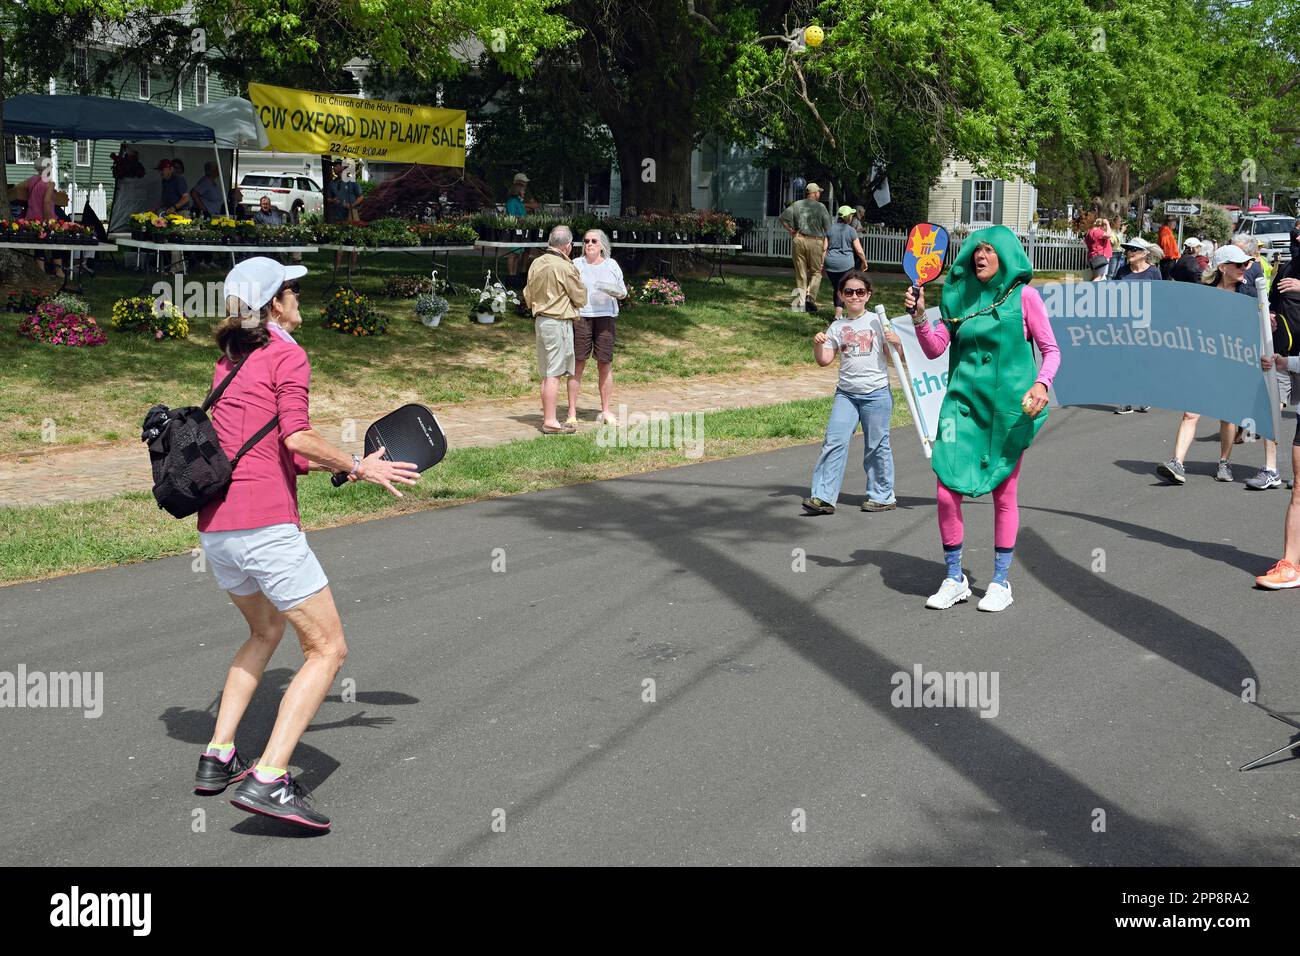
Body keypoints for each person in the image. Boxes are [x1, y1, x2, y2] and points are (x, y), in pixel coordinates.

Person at [194, 257, 420, 829]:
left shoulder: (230, 360)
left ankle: (218, 754)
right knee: (328, 650)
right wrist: (360, 467)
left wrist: (343, 467)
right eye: (293, 290)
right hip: (266, 528)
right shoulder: (287, 352)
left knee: (265, 630)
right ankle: (270, 778)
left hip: (218, 530)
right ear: (275, 302)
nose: (301, 298)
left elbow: (275, 447)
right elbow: (297, 432)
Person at [903, 225, 1061, 612]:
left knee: (1003, 493)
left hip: (1007, 411)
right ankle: (954, 578)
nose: (980, 256)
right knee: (945, 490)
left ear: (1005, 255)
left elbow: (1051, 350)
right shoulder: (960, 298)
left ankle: (1000, 582)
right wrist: (921, 318)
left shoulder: (1025, 297)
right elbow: (935, 347)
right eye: (976, 250)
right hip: (961, 408)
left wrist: (1041, 385)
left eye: (989, 250)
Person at [1155, 244, 1258, 486]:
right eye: (1239, 264)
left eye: (1246, 264)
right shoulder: (1204, 292)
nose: (1245, 268)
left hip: (1233, 362)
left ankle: (1225, 462)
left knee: (1227, 416)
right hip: (1204, 361)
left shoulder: (1250, 294)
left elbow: (1256, 329)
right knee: (1190, 412)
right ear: (1223, 268)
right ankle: (1176, 462)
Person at [802, 272, 901, 515]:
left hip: (876, 393)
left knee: (877, 445)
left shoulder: (878, 321)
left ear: (868, 295)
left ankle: (882, 495)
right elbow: (824, 360)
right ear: (840, 295)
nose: (854, 296)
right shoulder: (837, 326)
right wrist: (817, 343)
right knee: (834, 441)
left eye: (859, 292)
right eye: (848, 292)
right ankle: (823, 497)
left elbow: (896, 358)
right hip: (846, 394)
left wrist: (896, 341)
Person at [524, 225, 587, 434]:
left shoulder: (536, 262)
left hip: (541, 320)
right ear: (568, 246)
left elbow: (527, 294)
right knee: (554, 373)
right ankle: (550, 421)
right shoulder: (564, 266)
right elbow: (580, 297)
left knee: (546, 373)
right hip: (557, 322)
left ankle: (547, 418)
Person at [568, 228, 626, 427]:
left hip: (605, 317)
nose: (589, 244)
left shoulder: (611, 265)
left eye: (594, 241)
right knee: (578, 363)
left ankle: (606, 411)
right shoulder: (576, 264)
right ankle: (572, 412)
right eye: (586, 241)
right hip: (582, 317)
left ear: (602, 245)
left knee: (605, 363)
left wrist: (614, 292)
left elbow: (623, 291)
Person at [779, 181, 832, 314]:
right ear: (814, 193)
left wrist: (790, 231)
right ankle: (811, 297)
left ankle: (801, 302)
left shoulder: (796, 204)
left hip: (799, 239)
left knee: (800, 273)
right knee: (816, 272)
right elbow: (828, 228)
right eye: (818, 192)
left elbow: (782, 218)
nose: (819, 194)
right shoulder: (821, 207)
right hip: (816, 242)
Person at [823, 206, 868, 319]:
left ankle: (839, 313)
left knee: (838, 288)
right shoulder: (851, 230)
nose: (852, 217)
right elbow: (859, 250)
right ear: (847, 217)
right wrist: (864, 262)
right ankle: (838, 315)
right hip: (845, 265)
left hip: (831, 264)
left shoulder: (830, 229)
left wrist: (822, 265)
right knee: (842, 289)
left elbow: (824, 249)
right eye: (851, 215)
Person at [24, 157, 63, 278]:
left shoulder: (31, 180)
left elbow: (18, 189)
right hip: (45, 218)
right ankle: (59, 271)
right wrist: (47, 220)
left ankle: (41, 271)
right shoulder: (50, 183)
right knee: (56, 243)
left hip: (31, 218)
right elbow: (46, 202)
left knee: (38, 245)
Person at [325, 159, 361, 272]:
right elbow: (328, 198)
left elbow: (361, 197)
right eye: (333, 166)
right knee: (339, 241)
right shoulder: (332, 183)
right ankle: (337, 267)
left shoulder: (352, 182)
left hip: (351, 215)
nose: (334, 168)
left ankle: (353, 268)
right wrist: (332, 201)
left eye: (336, 165)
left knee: (353, 241)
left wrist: (352, 205)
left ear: (343, 167)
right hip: (338, 216)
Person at [504, 172, 537, 278]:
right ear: (518, 191)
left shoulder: (519, 203)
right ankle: (511, 276)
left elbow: (526, 211)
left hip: (521, 231)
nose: (524, 192)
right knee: (513, 254)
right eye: (522, 190)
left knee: (518, 254)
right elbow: (512, 216)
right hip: (514, 231)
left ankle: (515, 275)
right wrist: (521, 219)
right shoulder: (512, 202)